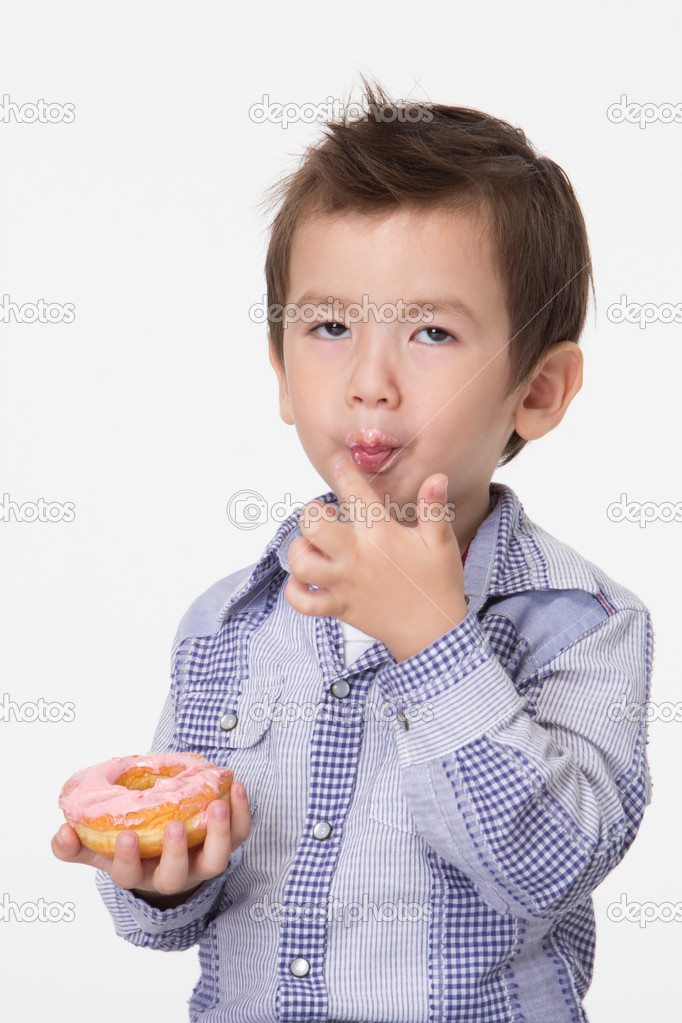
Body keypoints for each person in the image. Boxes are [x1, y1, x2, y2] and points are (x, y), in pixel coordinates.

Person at [52, 77, 655, 1022]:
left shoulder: (583, 624)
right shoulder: (228, 623)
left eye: (431, 331)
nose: (370, 383)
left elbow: (549, 865)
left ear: (538, 391)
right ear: (282, 372)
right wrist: (160, 880)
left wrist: (433, 641)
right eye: (330, 327)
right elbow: (164, 927)